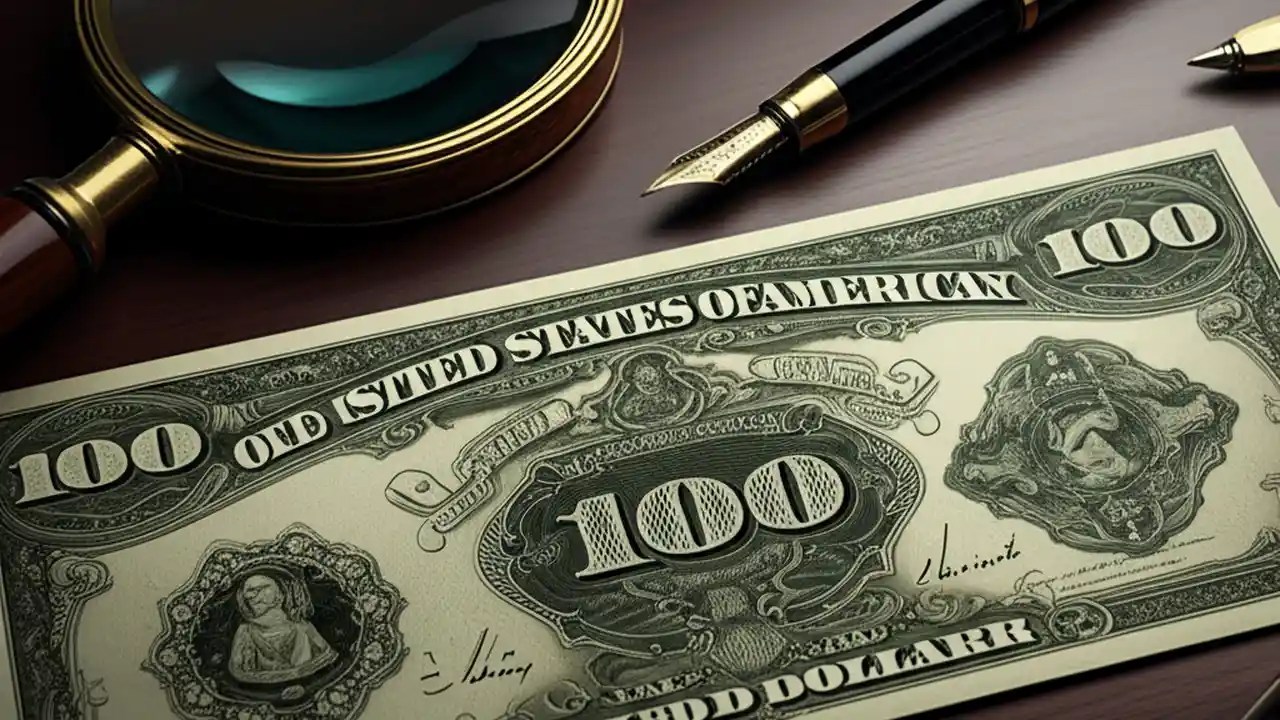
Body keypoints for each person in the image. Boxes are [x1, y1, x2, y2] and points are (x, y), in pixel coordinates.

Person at [228, 572, 337, 685]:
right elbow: (239, 675)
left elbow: (328, 664)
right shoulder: (245, 632)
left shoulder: (303, 627)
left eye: (261, 588)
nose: (249, 596)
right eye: (248, 591)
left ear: (281, 593)